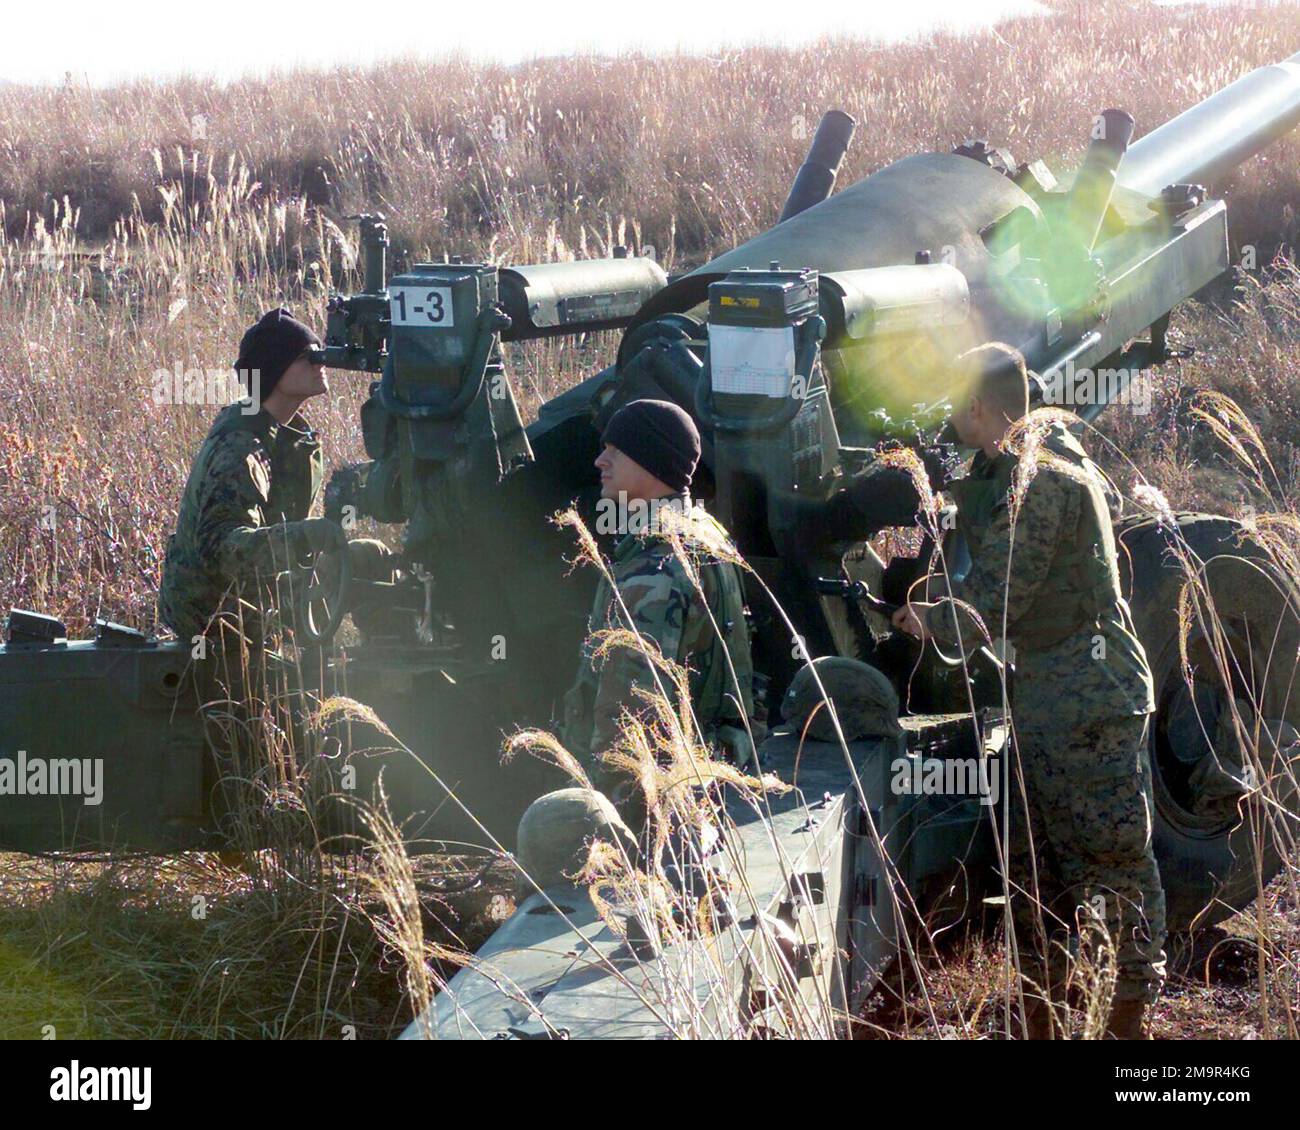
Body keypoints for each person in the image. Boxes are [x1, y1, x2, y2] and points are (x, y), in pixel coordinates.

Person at [892, 343, 1165, 1040]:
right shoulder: (1019, 463)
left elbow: (1000, 599)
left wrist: (928, 617)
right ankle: (1045, 1009)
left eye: (957, 408)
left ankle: (1126, 1019)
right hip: (1048, 694)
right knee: (1034, 868)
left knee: (1108, 858)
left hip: (1087, 697)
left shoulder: (1042, 478)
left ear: (980, 407)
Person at [560, 399, 758, 803]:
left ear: (652, 461)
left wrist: (615, 804)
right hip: (700, 777)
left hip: (652, 799)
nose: (600, 461)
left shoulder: (655, 565)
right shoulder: (703, 533)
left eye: (616, 450)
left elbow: (631, 715)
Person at [159, 308, 390, 645]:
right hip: (219, 613)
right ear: (274, 372)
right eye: (305, 356)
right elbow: (221, 549)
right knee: (367, 562)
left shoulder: (284, 434)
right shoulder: (241, 448)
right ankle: (370, 684)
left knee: (371, 556)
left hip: (261, 588)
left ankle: (385, 674)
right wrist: (303, 538)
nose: (319, 362)